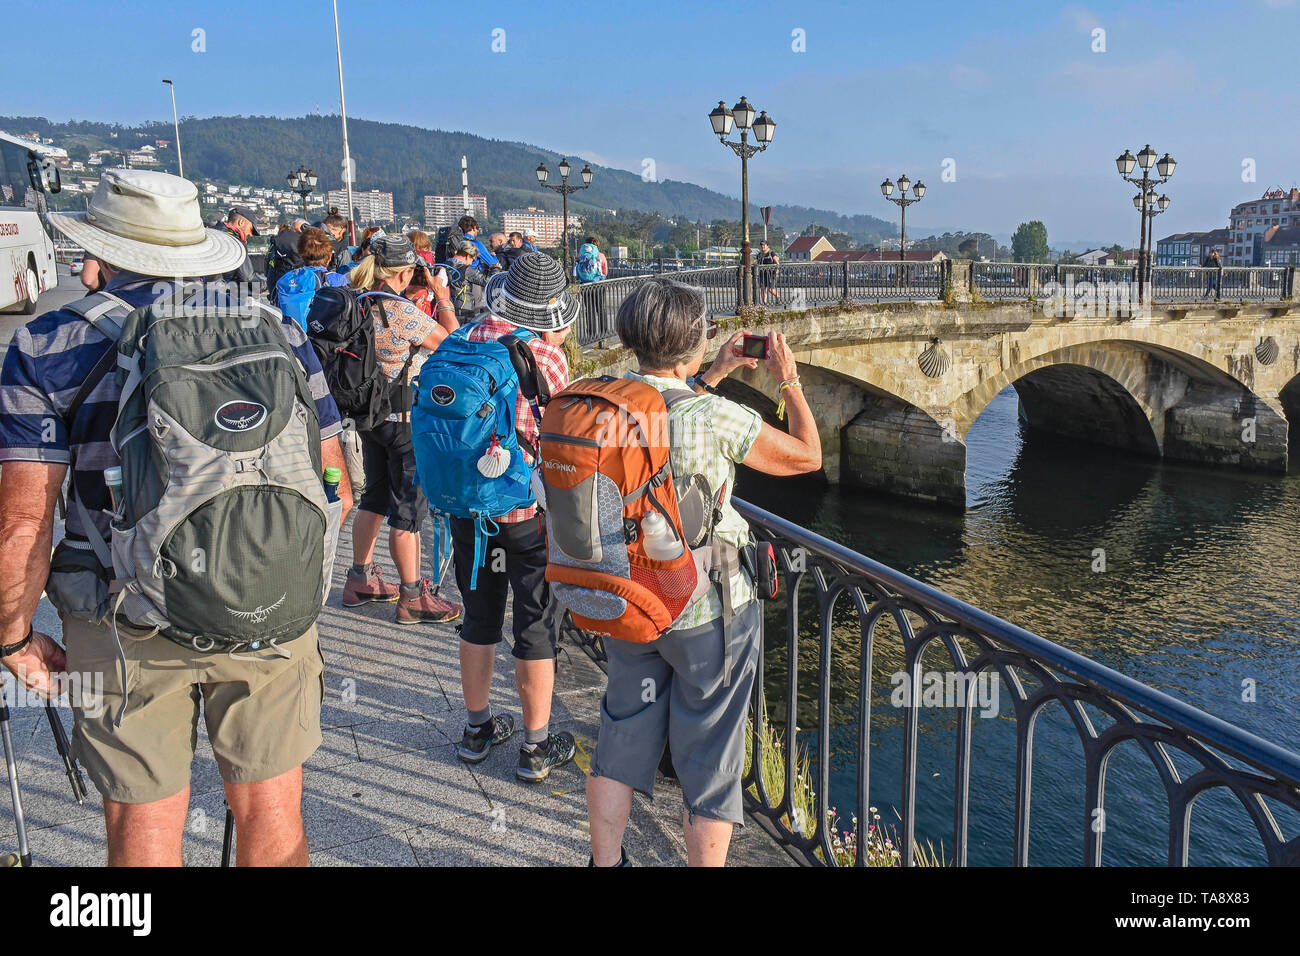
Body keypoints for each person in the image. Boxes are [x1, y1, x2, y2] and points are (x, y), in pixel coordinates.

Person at [0, 168, 353, 866]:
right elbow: (335, 476)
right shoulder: (278, 329)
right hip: (269, 600)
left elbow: (23, 524)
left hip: (120, 613)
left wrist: (13, 639)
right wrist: (290, 577)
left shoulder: (45, 347)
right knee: (272, 817)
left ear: (102, 250)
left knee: (144, 831)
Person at [585, 277, 822, 867]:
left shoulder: (600, 402)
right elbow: (807, 456)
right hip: (705, 607)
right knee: (711, 756)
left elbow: (660, 406)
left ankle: (604, 862)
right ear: (695, 342)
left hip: (625, 598)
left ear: (630, 337)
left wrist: (709, 372)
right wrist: (788, 382)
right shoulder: (716, 417)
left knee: (620, 735)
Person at [452, 252, 578, 782]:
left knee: (479, 618)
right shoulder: (543, 357)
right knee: (534, 622)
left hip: (468, 510)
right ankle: (535, 746)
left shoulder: (461, 341)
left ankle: (478, 729)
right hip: (526, 512)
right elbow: (566, 433)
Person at [342, 234, 461, 624]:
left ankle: (359, 578)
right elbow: (452, 341)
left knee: (374, 497)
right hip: (403, 421)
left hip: (369, 416)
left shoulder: (357, 300)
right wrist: (442, 295)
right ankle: (412, 597)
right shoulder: (400, 311)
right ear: (406, 272)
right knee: (407, 513)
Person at [266, 218, 307, 304]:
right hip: (298, 295)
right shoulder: (305, 246)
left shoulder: (276, 243)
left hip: (277, 293)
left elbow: (267, 267)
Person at [447, 239, 488, 319]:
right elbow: (487, 281)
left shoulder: (443, 265)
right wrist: (495, 268)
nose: (471, 263)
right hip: (463, 310)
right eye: (472, 260)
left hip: (445, 307)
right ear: (468, 255)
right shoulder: (466, 270)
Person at [218, 205, 258, 286]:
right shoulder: (236, 244)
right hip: (222, 291)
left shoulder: (212, 233)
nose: (250, 234)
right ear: (241, 222)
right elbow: (248, 279)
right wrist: (266, 285)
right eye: (251, 229)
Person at [757, 239, 781, 306]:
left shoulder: (771, 253)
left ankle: (778, 297)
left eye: (764, 245)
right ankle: (764, 303)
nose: (762, 246)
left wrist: (776, 272)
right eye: (761, 245)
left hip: (770, 274)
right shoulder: (759, 254)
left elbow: (777, 263)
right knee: (762, 288)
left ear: (767, 245)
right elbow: (757, 263)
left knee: (770, 289)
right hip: (762, 274)